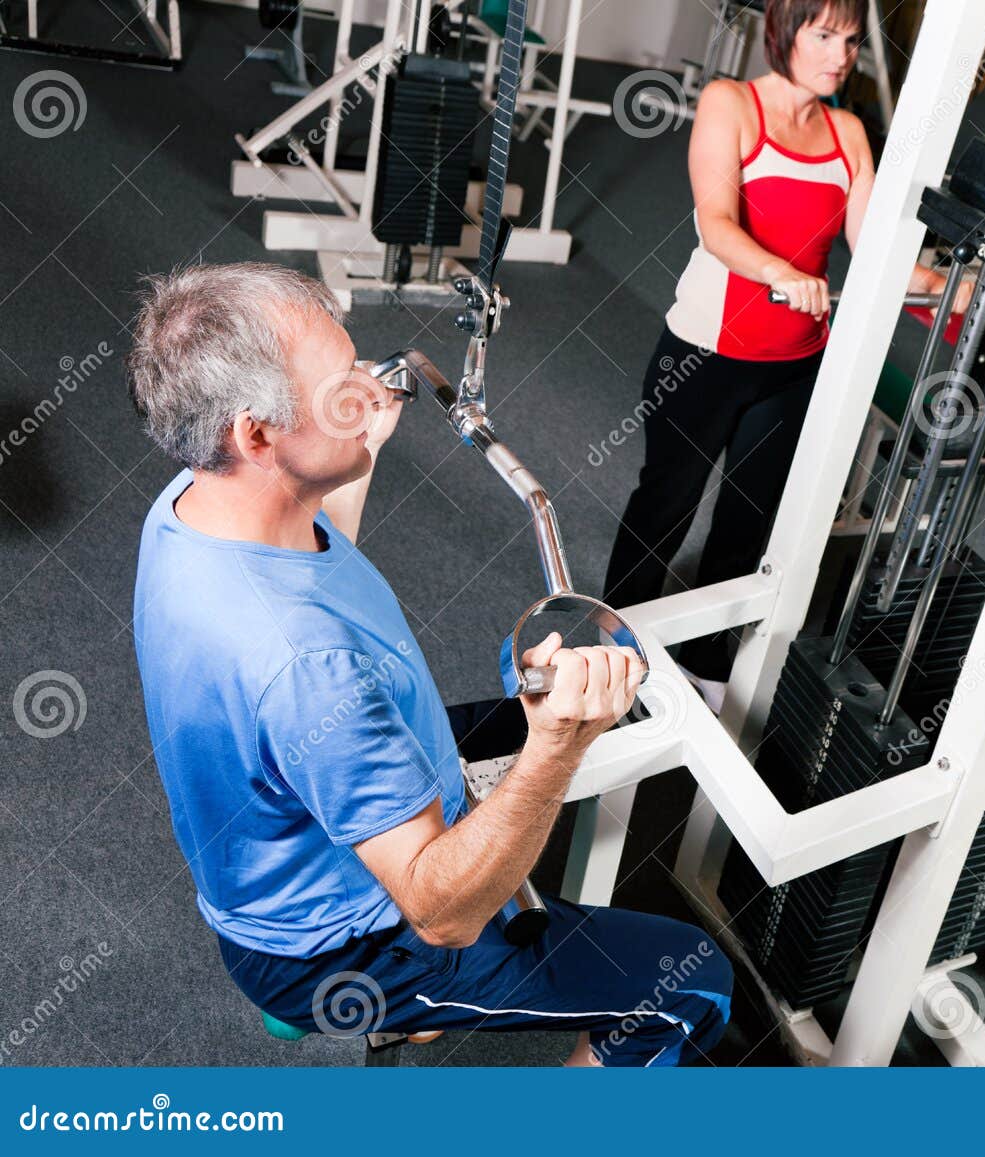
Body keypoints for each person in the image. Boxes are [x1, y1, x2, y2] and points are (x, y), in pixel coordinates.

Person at [128, 263, 731, 1066]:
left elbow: (308, 563)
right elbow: (440, 913)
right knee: (692, 984)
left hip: (276, 839)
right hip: (344, 948)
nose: (364, 390)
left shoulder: (192, 505)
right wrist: (558, 745)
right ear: (258, 433)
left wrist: (355, 448)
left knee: (531, 722)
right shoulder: (308, 667)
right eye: (338, 385)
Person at [603, 0, 972, 710]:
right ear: (784, 32)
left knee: (749, 517)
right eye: (824, 35)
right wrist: (781, 273)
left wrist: (949, 285)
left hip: (794, 363)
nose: (841, 55)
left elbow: (873, 251)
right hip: (706, 352)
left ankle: (707, 664)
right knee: (665, 507)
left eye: (852, 41)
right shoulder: (729, 103)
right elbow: (715, 224)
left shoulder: (849, 132)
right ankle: (613, 651)